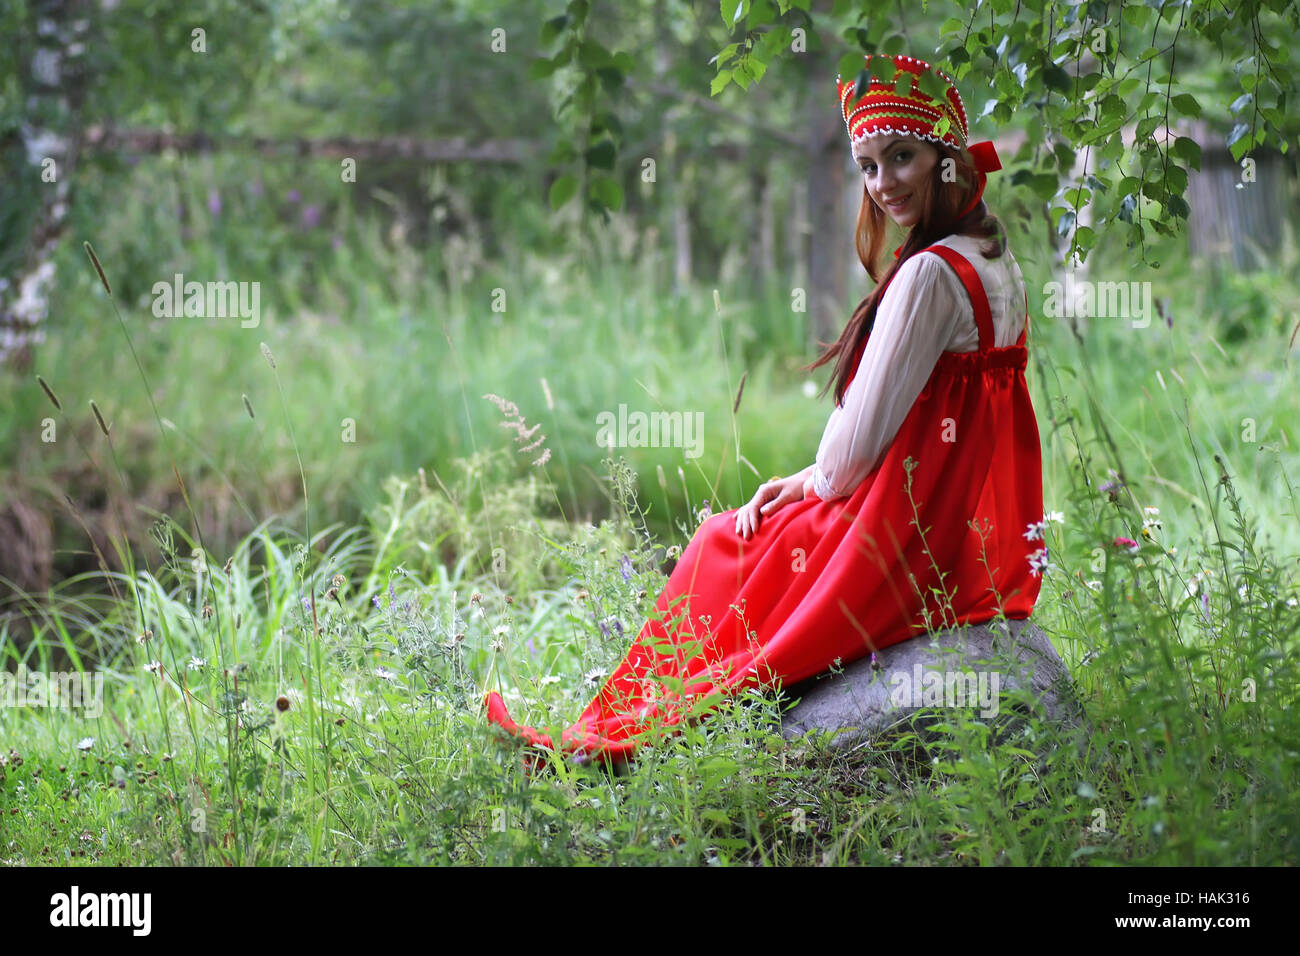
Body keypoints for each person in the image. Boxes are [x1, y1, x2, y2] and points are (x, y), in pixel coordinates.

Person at [484, 53, 1047, 771]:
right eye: (869, 166)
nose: (884, 185)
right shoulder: (996, 258)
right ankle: (623, 734)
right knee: (760, 527)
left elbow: (851, 456)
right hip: (973, 539)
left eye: (902, 157)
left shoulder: (932, 274)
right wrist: (810, 477)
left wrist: (812, 480)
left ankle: (616, 742)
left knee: (726, 543)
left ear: (947, 156)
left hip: (910, 531)